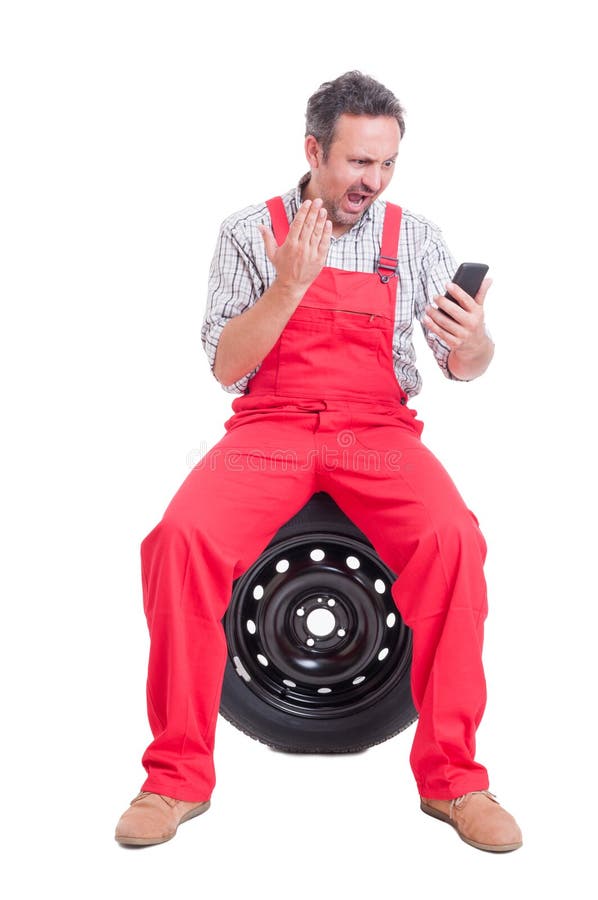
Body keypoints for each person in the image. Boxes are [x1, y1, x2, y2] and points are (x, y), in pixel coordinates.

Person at [115, 71, 522, 853]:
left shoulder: (415, 238)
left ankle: (454, 780)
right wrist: (287, 287)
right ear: (313, 151)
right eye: (358, 162)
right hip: (270, 426)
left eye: (388, 163)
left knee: (453, 541)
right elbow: (227, 365)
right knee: (180, 542)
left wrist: (475, 345)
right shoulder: (249, 231)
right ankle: (174, 778)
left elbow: (463, 365)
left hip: (378, 429)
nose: (374, 181)